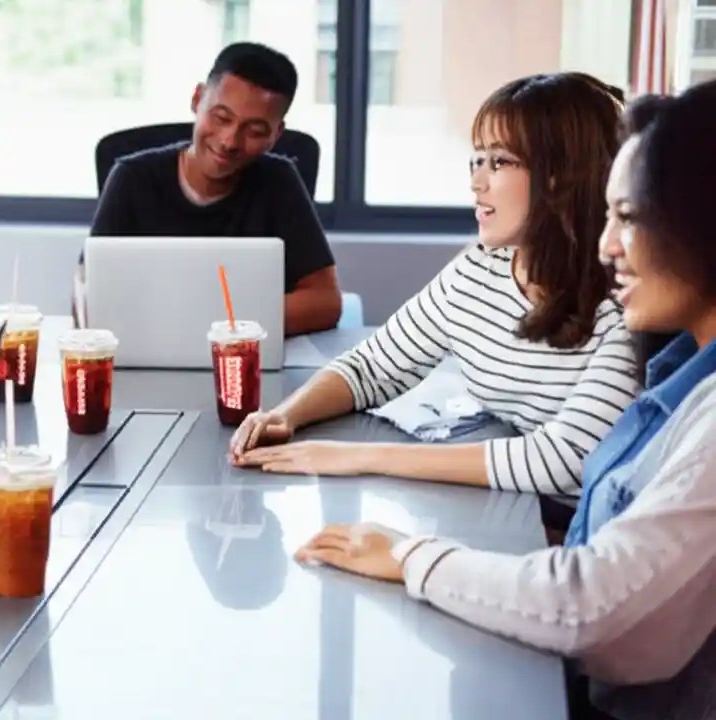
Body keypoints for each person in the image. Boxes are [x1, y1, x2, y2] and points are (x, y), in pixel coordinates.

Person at [296, 82, 716, 720]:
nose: (608, 247)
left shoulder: (662, 363)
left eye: (630, 217)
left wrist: (407, 550)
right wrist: (287, 416)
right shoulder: (680, 369)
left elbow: (588, 605)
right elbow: (379, 362)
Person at [232, 73, 637, 497]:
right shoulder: (481, 267)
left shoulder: (626, 302)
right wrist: (285, 415)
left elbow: (564, 461)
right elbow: (373, 365)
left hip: (577, 525)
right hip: (510, 505)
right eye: (477, 160)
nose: (477, 182)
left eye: (499, 162)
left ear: (560, 176)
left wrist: (360, 457)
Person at [78, 42, 341, 336]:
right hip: (149, 349)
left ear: (276, 135)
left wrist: (221, 325)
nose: (230, 141)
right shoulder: (132, 178)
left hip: (243, 354)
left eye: (255, 131)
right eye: (221, 118)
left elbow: (325, 301)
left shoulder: (280, 181)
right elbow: (87, 297)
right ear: (197, 99)